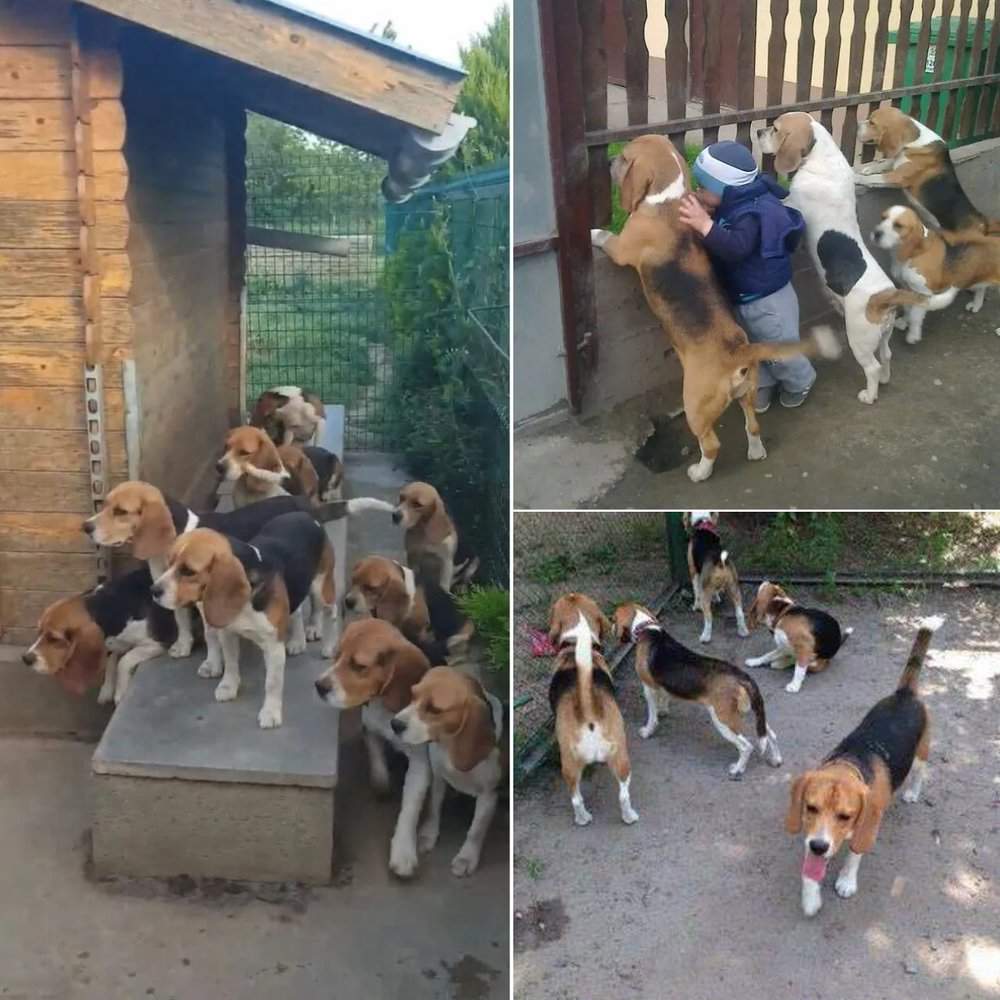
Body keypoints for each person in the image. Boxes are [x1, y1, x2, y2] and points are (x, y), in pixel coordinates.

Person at [678, 140, 814, 411]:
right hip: (744, 296)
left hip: (768, 301)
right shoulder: (736, 202)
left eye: (704, 188)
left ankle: (800, 381)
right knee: (751, 347)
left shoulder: (753, 213)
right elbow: (726, 229)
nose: (699, 192)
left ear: (724, 190)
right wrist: (711, 218)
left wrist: (705, 225)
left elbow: (736, 248)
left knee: (779, 350)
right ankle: (762, 384)